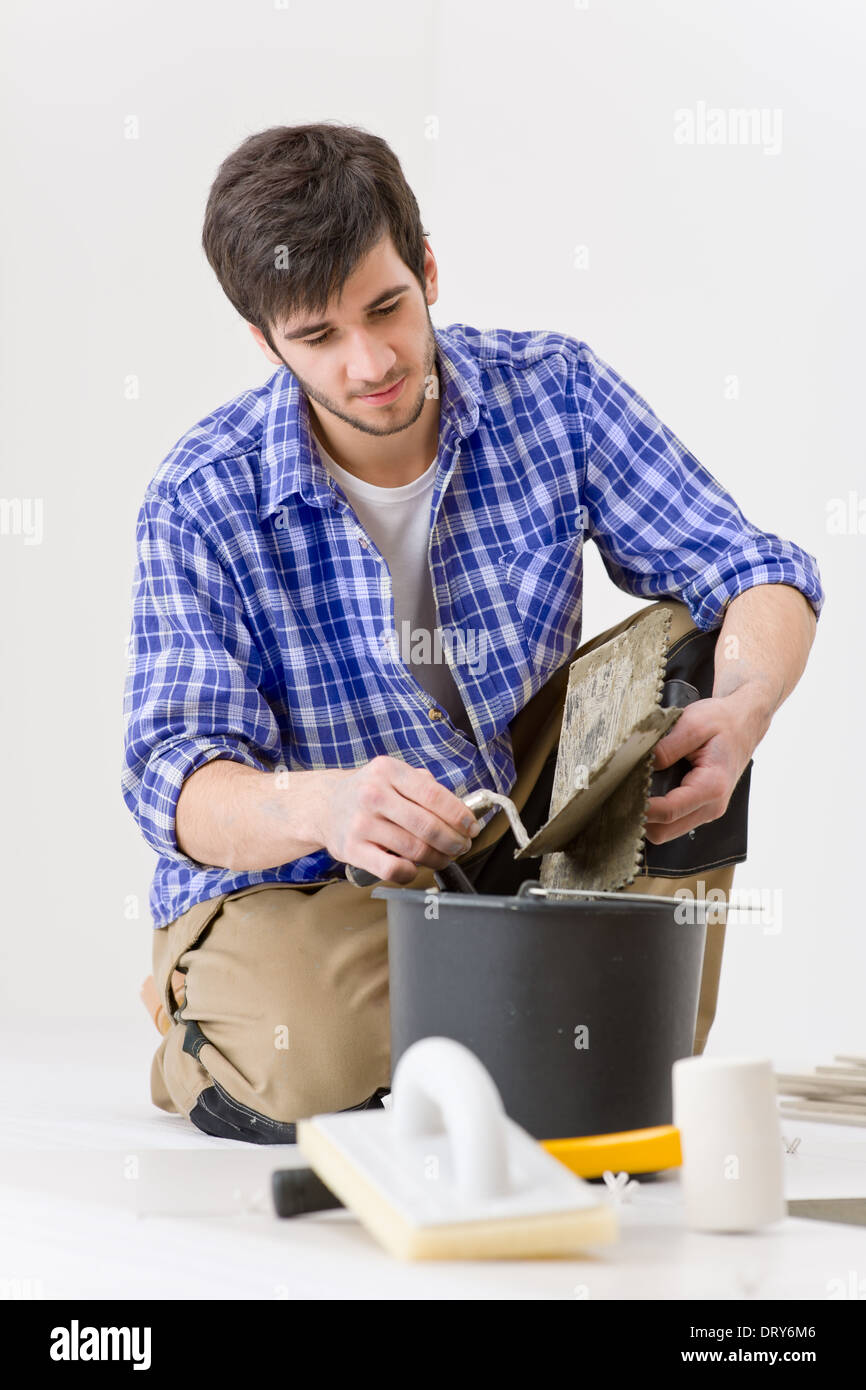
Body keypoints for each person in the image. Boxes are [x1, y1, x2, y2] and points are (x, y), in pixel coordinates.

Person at [122, 123, 823, 1142]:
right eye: (316, 337)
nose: (369, 364)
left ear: (428, 269)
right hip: (313, 888)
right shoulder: (200, 493)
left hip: (518, 848)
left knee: (690, 650)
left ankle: (593, 1034)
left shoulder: (555, 391)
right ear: (264, 341)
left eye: (386, 307)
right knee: (315, 1054)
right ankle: (205, 1018)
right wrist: (327, 804)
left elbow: (753, 570)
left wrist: (744, 708)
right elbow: (171, 777)